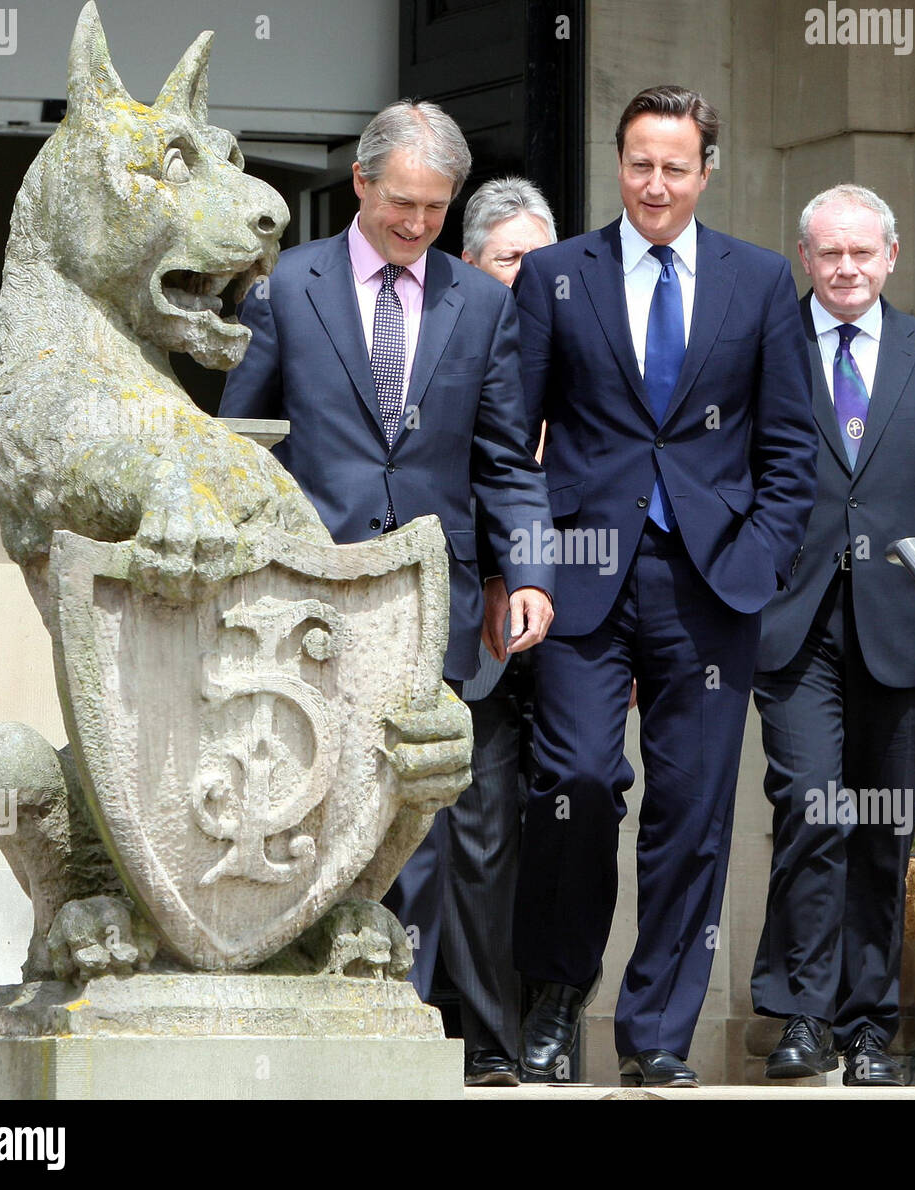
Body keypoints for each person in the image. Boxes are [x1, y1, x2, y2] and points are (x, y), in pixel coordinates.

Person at [510, 84, 819, 1088]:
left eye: (674, 166)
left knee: (692, 811)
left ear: (704, 170)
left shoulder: (762, 281)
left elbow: (788, 448)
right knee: (579, 784)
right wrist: (521, 563)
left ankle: (654, 1035)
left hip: (708, 584)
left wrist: (759, 558)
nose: (654, 183)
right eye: (639, 162)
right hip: (577, 580)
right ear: (618, 162)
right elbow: (510, 440)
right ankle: (555, 998)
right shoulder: (558, 275)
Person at [218, 101, 555, 1015]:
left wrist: (525, 572)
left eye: (435, 210)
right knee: (303, 807)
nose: (415, 224)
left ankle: (393, 1020)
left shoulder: (478, 302)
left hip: (423, 604)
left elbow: (503, 460)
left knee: (414, 821)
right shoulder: (285, 287)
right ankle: (294, 1016)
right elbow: (242, 443)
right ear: (361, 183)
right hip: (303, 602)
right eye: (400, 202)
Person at [752, 183, 915, 1087]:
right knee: (811, 812)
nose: (847, 268)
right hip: (792, 631)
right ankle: (799, 1016)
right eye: (830, 254)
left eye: (863, 253)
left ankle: (869, 1029)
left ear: (891, 257)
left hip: (902, 630)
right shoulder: (764, 343)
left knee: (881, 831)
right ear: (806, 258)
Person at [446, 176, 557, 1088]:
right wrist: (494, 576)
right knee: (476, 833)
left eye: (539, 258)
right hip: (474, 630)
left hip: (577, 639)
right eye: (511, 258)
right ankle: (486, 1040)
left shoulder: (584, 352)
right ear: (474, 266)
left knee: (574, 821)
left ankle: (551, 1011)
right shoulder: (456, 335)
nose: (529, 275)